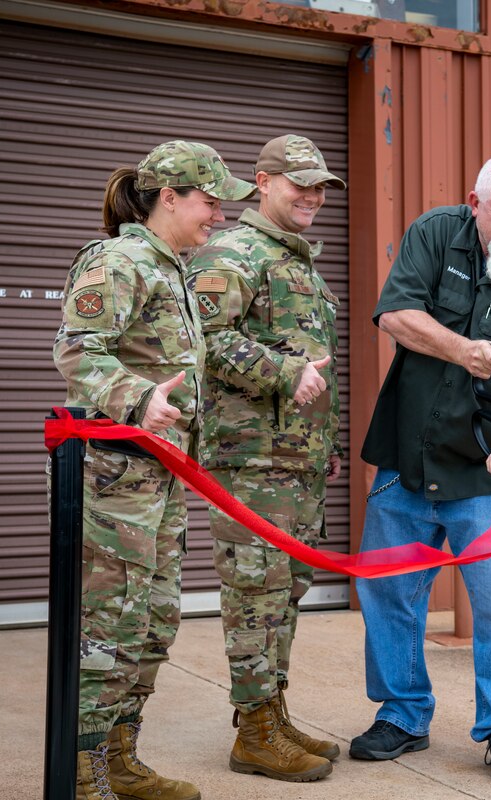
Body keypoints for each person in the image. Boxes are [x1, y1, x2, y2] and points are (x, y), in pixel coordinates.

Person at [351, 154, 491, 789]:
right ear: (475, 203)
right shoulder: (434, 234)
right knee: (389, 594)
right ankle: (402, 715)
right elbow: (395, 314)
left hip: (486, 474)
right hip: (406, 458)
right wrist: (463, 351)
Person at [54, 140, 255, 800]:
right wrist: (141, 398)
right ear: (169, 196)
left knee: (156, 619)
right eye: (210, 201)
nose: (218, 216)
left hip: (163, 477)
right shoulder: (118, 259)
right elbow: (79, 350)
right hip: (117, 478)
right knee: (111, 624)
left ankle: (118, 754)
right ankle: (81, 770)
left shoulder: (173, 269)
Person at [185, 134, 346, 783]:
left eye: (319, 186)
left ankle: (271, 713)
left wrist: (324, 445)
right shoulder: (231, 252)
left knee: (286, 593)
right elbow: (204, 340)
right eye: (299, 183)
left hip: (295, 461)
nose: (311, 196)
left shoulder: (298, 260)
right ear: (262, 182)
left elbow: (313, 360)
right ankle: (253, 733)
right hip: (249, 461)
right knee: (255, 593)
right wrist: (283, 373)